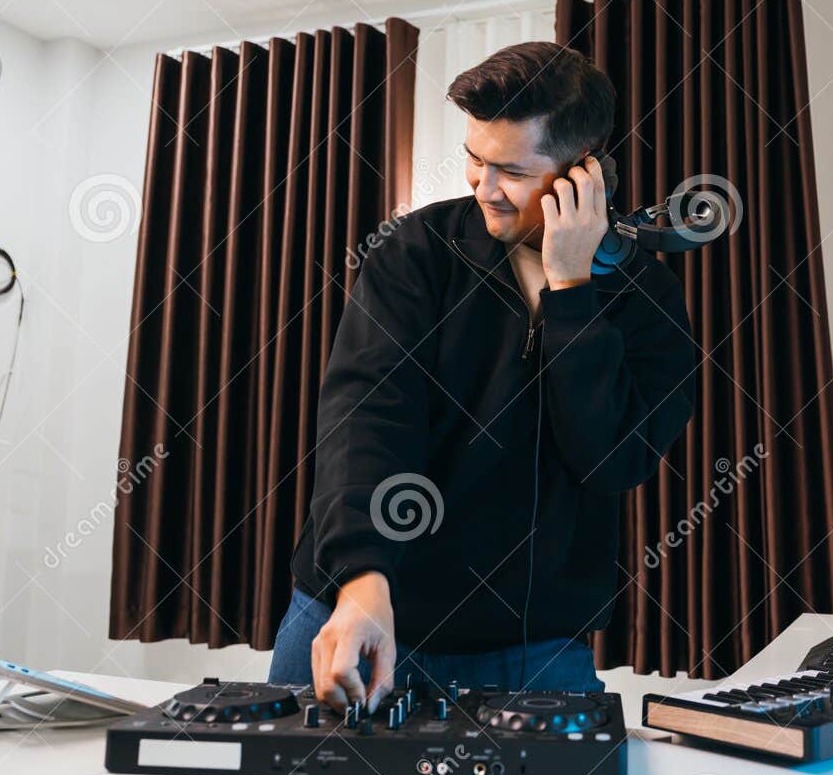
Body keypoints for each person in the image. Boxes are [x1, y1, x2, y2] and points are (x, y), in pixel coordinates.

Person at [268, 41, 696, 710]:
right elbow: (366, 414)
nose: (482, 186)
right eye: (475, 158)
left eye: (512, 171)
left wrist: (571, 290)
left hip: (530, 647)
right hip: (357, 605)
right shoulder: (413, 252)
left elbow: (613, 458)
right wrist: (361, 578)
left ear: (585, 174)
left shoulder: (648, 298)